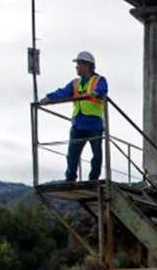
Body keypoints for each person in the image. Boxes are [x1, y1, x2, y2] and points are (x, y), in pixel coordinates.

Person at [40, 51, 108, 181]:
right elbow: (63, 92)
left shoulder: (99, 80)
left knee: (97, 154)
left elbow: (102, 89)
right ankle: (70, 178)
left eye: (78, 64)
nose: (76, 67)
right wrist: (49, 98)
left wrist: (96, 92)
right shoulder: (75, 83)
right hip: (78, 123)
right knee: (72, 155)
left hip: (94, 123)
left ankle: (93, 178)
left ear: (87, 65)